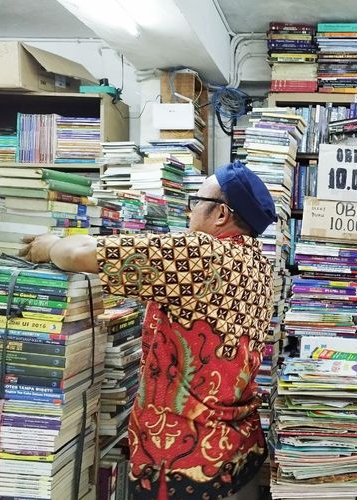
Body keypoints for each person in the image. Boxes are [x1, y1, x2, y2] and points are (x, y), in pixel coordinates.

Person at [20, 162, 277, 500]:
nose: (190, 209)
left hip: (184, 463)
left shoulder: (201, 254)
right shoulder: (258, 262)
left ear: (221, 215)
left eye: (196, 199)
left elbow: (79, 255)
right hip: (238, 451)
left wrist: (49, 244)